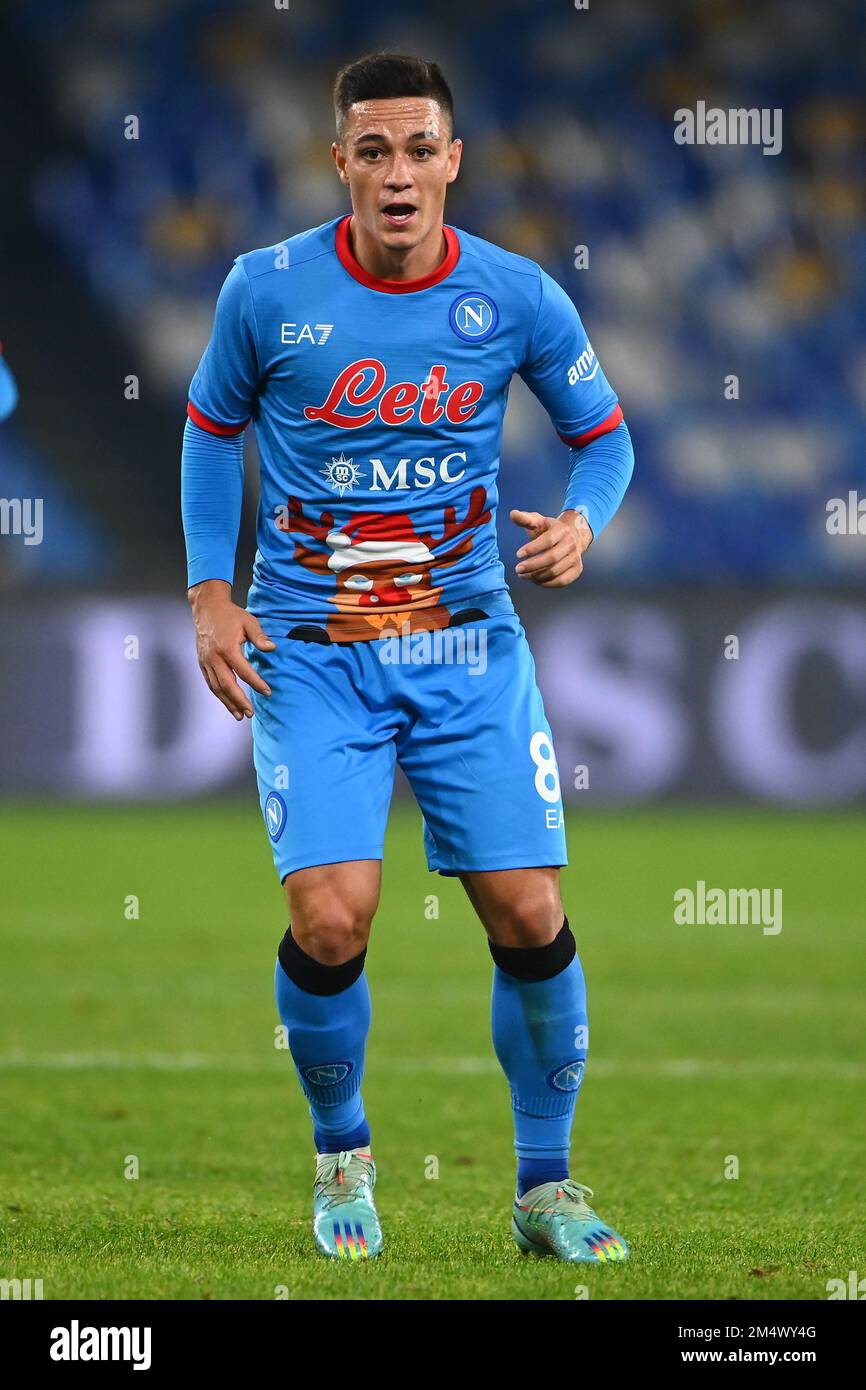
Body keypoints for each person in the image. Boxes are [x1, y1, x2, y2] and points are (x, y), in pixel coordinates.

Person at [181, 51, 634, 1264]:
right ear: (338, 162)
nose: (396, 172)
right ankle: (342, 1156)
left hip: (465, 648)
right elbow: (208, 431)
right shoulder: (263, 290)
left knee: (528, 908)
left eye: (417, 148)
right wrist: (211, 591)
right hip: (314, 650)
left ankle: (545, 1190)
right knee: (332, 918)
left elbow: (603, 439)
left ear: (452, 161)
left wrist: (584, 520)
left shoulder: (517, 294)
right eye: (370, 150)